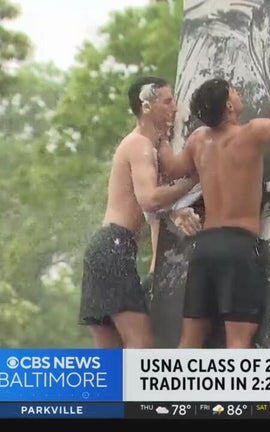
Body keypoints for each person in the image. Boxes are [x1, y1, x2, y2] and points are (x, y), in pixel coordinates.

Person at [157, 42, 270, 348]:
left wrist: (161, 129)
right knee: (238, 342)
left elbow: (170, 168)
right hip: (238, 246)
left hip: (205, 247)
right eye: (233, 90)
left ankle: (174, 398)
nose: (238, 92)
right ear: (229, 107)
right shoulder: (250, 133)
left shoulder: (197, 140)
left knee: (189, 341)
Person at [78, 76, 198, 348]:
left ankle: (109, 393)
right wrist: (192, 182)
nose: (175, 108)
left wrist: (166, 139)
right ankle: (137, 392)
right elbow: (150, 199)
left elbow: (171, 167)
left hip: (104, 248)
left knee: (110, 356)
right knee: (141, 344)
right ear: (147, 106)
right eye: (168, 102)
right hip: (114, 246)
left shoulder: (150, 144)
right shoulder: (139, 145)